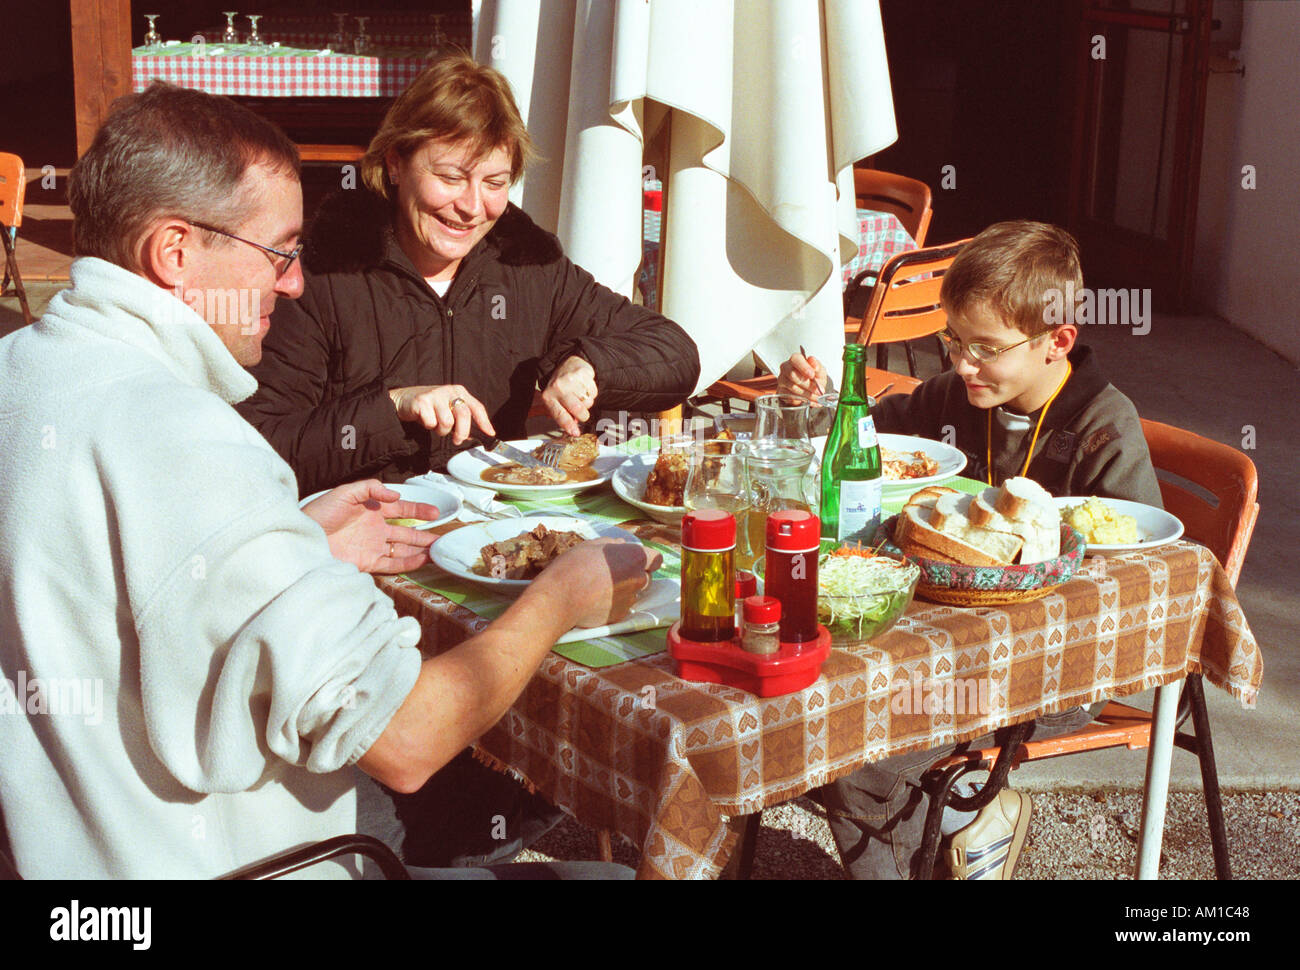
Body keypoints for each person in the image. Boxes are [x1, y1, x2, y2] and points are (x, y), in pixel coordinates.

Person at [0, 82, 658, 880]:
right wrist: (565, 592)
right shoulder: (188, 437)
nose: (295, 283)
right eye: (278, 252)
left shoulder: (22, 371)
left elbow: (122, 592)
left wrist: (298, 532)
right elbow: (407, 741)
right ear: (175, 252)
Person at [779, 220, 1163, 880]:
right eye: (951, 340)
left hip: (1056, 668)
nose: (961, 363)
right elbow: (868, 443)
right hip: (948, 640)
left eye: (984, 347)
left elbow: (1135, 578)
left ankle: (945, 826)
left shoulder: (1103, 427)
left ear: (1058, 341)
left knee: (852, 750)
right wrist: (822, 407)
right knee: (795, 703)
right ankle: (966, 820)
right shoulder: (955, 396)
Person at [236, 54, 700, 498]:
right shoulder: (320, 273)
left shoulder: (526, 264)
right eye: (451, 177)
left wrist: (592, 363)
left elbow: (676, 354)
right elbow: (259, 449)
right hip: (360, 538)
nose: (472, 208)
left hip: (491, 531)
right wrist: (393, 406)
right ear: (396, 164)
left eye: (495, 183)